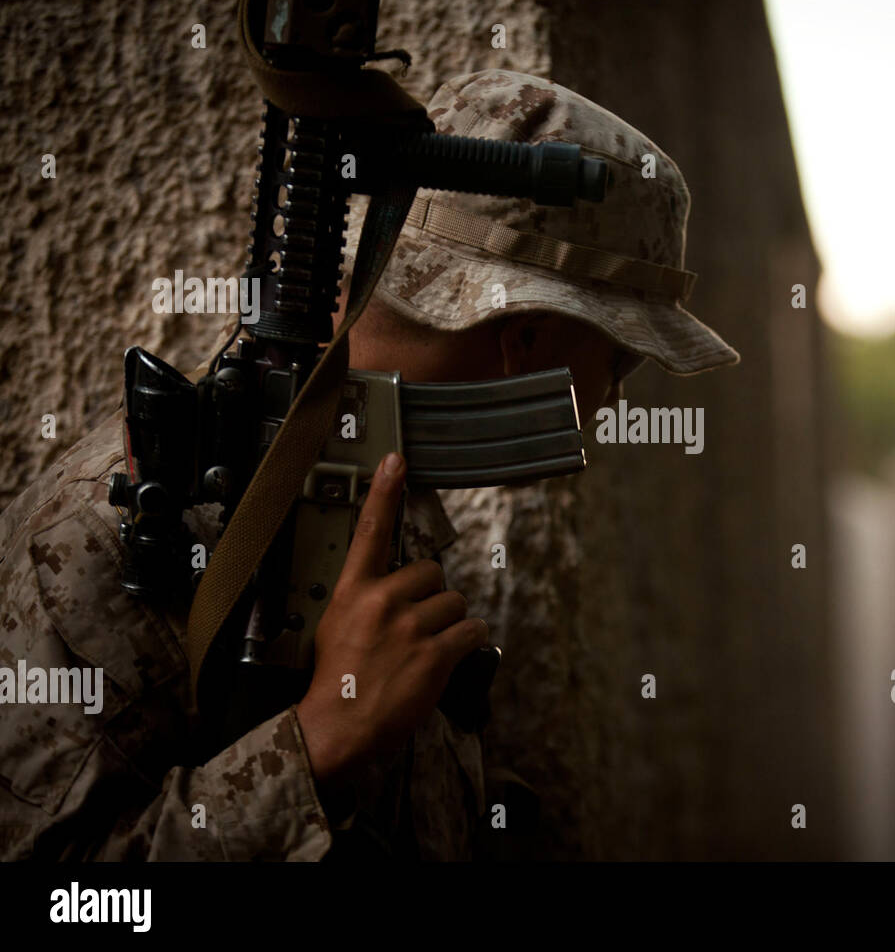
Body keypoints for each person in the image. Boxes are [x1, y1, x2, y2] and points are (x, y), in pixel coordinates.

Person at [0, 69, 737, 860]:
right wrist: (317, 746)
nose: (615, 400)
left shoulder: (382, 496)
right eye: (619, 360)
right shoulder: (102, 533)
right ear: (527, 334)